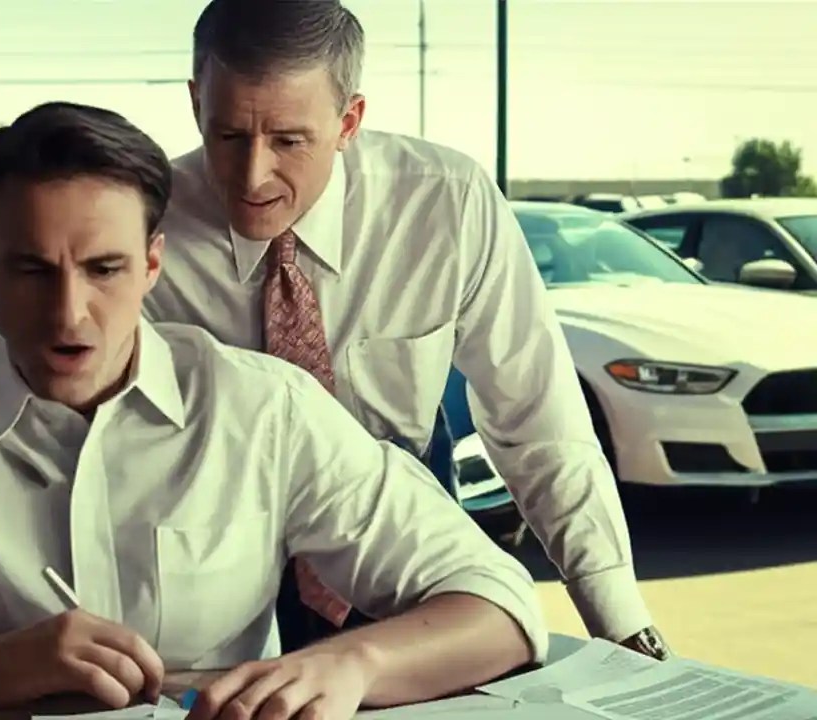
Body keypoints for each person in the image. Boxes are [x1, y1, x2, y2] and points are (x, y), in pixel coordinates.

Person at [0, 101, 546, 720]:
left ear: (154, 263)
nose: (69, 313)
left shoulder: (262, 408)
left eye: (105, 269)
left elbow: (503, 603)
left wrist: (353, 662)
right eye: (32, 271)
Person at [143, 0, 669, 659]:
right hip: (214, 538)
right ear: (196, 104)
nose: (252, 176)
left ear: (349, 121)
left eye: (288, 140)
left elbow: (539, 425)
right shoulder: (140, 221)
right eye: (227, 136)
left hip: (405, 522)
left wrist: (620, 622)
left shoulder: (447, 203)